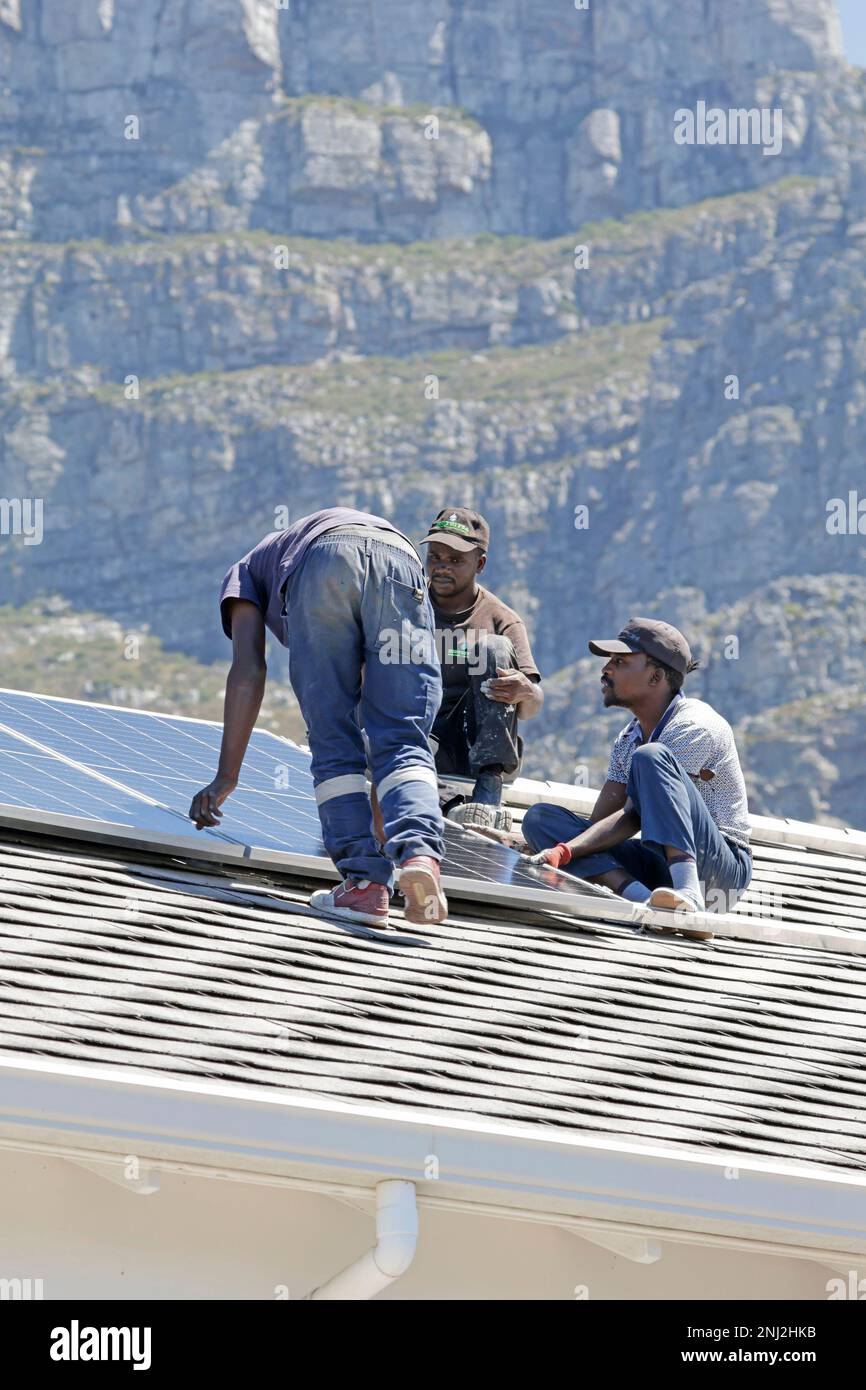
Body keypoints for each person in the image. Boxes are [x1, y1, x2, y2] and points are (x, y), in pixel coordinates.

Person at [188, 508, 447, 930]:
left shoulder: (244, 574)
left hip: (325, 559)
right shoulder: (281, 552)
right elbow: (378, 719)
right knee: (402, 735)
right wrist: (392, 836)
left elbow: (249, 669)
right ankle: (420, 855)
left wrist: (226, 777)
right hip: (402, 558)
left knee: (333, 738)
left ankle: (364, 884)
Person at [521, 618, 752, 940]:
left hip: (716, 870)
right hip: (657, 864)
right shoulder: (629, 737)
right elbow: (601, 824)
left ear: (656, 676)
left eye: (620, 662)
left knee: (651, 757)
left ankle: (691, 901)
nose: (606, 670)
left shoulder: (695, 725)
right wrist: (554, 845)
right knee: (540, 819)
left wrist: (566, 851)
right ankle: (644, 902)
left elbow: (634, 815)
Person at [418, 507, 543, 832]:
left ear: (480, 564)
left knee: (493, 648)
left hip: (471, 745)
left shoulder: (502, 619)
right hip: (415, 734)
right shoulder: (408, 602)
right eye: (436, 557)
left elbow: (530, 708)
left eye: (456, 560)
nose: (442, 567)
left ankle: (488, 792)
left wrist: (526, 691)